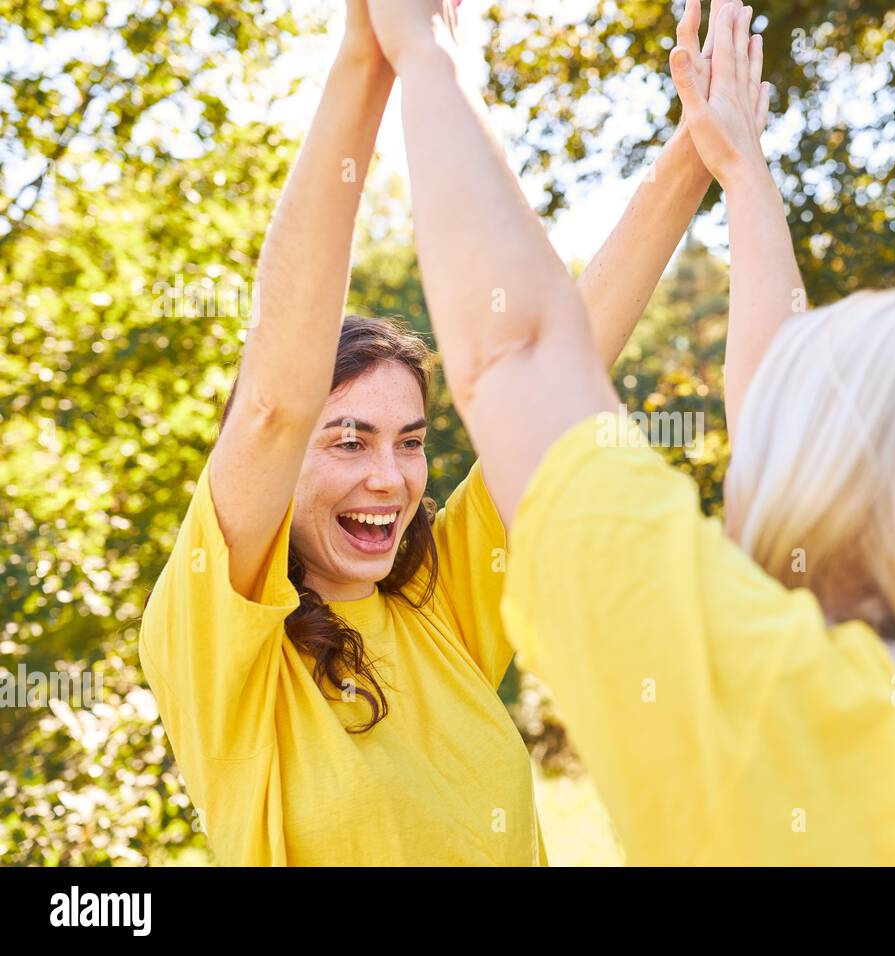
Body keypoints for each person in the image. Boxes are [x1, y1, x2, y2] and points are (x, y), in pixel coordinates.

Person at [375, 0, 895, 865]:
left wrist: (426, 53)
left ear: (830, 492)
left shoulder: (789, 715)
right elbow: (775, 413)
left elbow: (523, 355)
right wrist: (743, 173)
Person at [138, 0, 758, 865]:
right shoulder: (223, 639)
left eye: (409, 438)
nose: (390, 478)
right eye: (349, 441)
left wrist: (701, 148)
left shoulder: (444, 604)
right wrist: (368, 54)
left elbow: (563, 361)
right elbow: (275, 407)